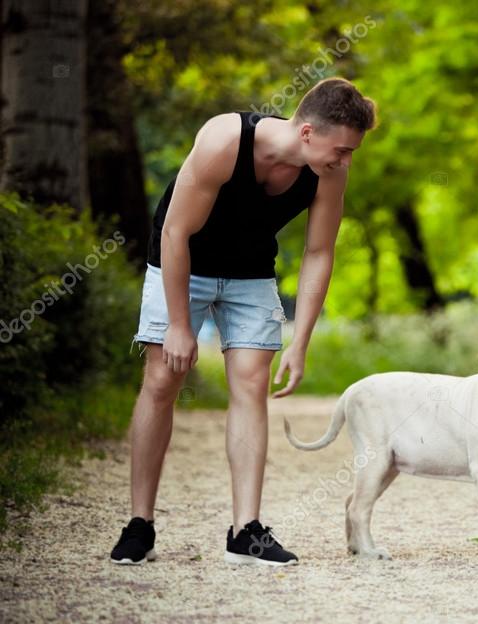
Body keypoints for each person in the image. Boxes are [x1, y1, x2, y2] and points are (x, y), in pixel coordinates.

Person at [109, 77, 376, 566]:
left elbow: (319, 253)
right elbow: (174, 230)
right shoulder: (224, 140)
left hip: (251, 272)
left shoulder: (327, 170)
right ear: (308, 132)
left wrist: (300, 342)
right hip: (180, 263)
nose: (346, 161)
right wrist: (179, 325)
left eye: (351, 152)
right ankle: (139, 525)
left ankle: (245, 531)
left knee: (252, 386)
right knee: (163, 379)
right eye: (342, 149)